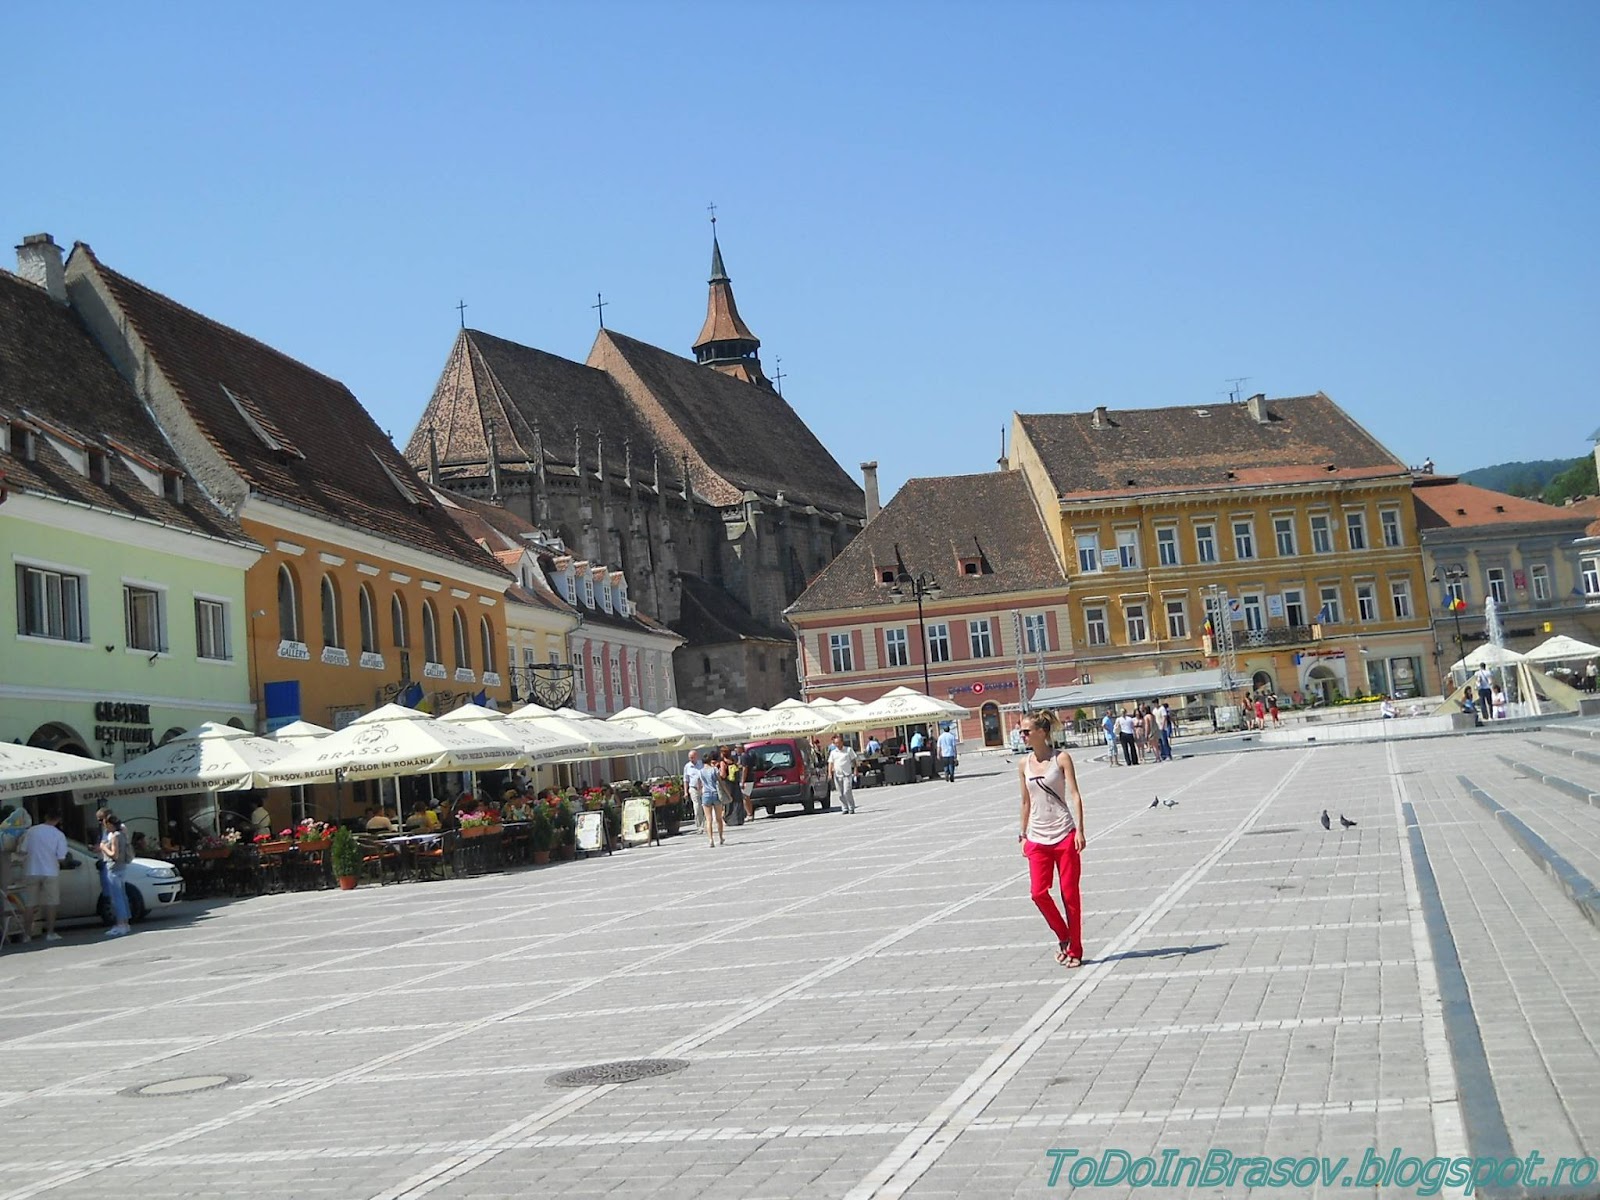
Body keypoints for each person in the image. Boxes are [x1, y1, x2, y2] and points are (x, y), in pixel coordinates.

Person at [1017, 711, 1086, 969]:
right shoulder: (1023, 764)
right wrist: (1022, 834)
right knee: (1037, 893)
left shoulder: (1062, 759)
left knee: (1070, 896)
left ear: (1042, 733)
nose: (1022, 735)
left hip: (1064, 835)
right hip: (1037, 837)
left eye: (1026, 731)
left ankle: (1075, 949)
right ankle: (1064, 936)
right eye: (1021, 731)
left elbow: (1075, 795)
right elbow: (1025, 801)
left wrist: (1080, 830)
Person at [19, 807, 69, 942]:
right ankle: (50, 933)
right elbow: (61, 857)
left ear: (46, 816)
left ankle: (26, 934)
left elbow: (22, 850)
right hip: (50, 871)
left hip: (32, 870)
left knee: (29, 903)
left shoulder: (31, 831)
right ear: (58, 820)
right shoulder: (58, 835)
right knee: (51, 903)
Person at [97, 811, 133, 937]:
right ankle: (125, 923)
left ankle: (120, 924)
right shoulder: (122, 833)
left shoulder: (114, 836)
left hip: (114, 868)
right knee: (122, 896)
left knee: (116, 897)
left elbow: (114, 854)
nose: (104, 826)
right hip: (122, 867)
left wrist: (103, 847)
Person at [699, 752, 725, 847]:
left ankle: (710, 839)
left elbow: (699, 785)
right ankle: (721, 837)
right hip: (715, 793)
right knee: (718, 818)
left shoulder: (700, 771)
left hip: (705, 794)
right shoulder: (714, 769)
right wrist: (727, 793)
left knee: (708, 819)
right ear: (710, 760)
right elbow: (720, 781)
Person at [828, 734, 859, 813]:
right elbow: (830, 763)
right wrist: (829, 773)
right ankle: (844, 807)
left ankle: (851, 807)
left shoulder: (848, 750)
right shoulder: (833, 752)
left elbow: (854, 761)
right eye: (836, 743)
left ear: (842, 742)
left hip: (847, 774)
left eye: (838, 743)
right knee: (840, 793)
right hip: (837, 775)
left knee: (847, 791)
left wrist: (855, 770)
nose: (837, 745)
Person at [683, 749, 705, 833]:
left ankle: (706, 824)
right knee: (697, 807)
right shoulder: (687, 766)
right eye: (690, 758)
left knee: (705, 806)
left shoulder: (701, 764)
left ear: (696, 756)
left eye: (692, 757)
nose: (691, 759)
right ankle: (700, 827)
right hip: (693, 788)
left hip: (703, 787)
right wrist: (685, 791)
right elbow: (686, 779)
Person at [739, 743, 760, 820]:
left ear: (740, 748)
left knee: (745, 797)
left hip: (747, 780)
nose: (735, 750)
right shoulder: (747, 755)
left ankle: (749, 814)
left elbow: (745, 769)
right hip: (749, 779)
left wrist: (742, 781)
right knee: (746, 797)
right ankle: (750, 813)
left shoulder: (743, 756)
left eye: (736, 748)